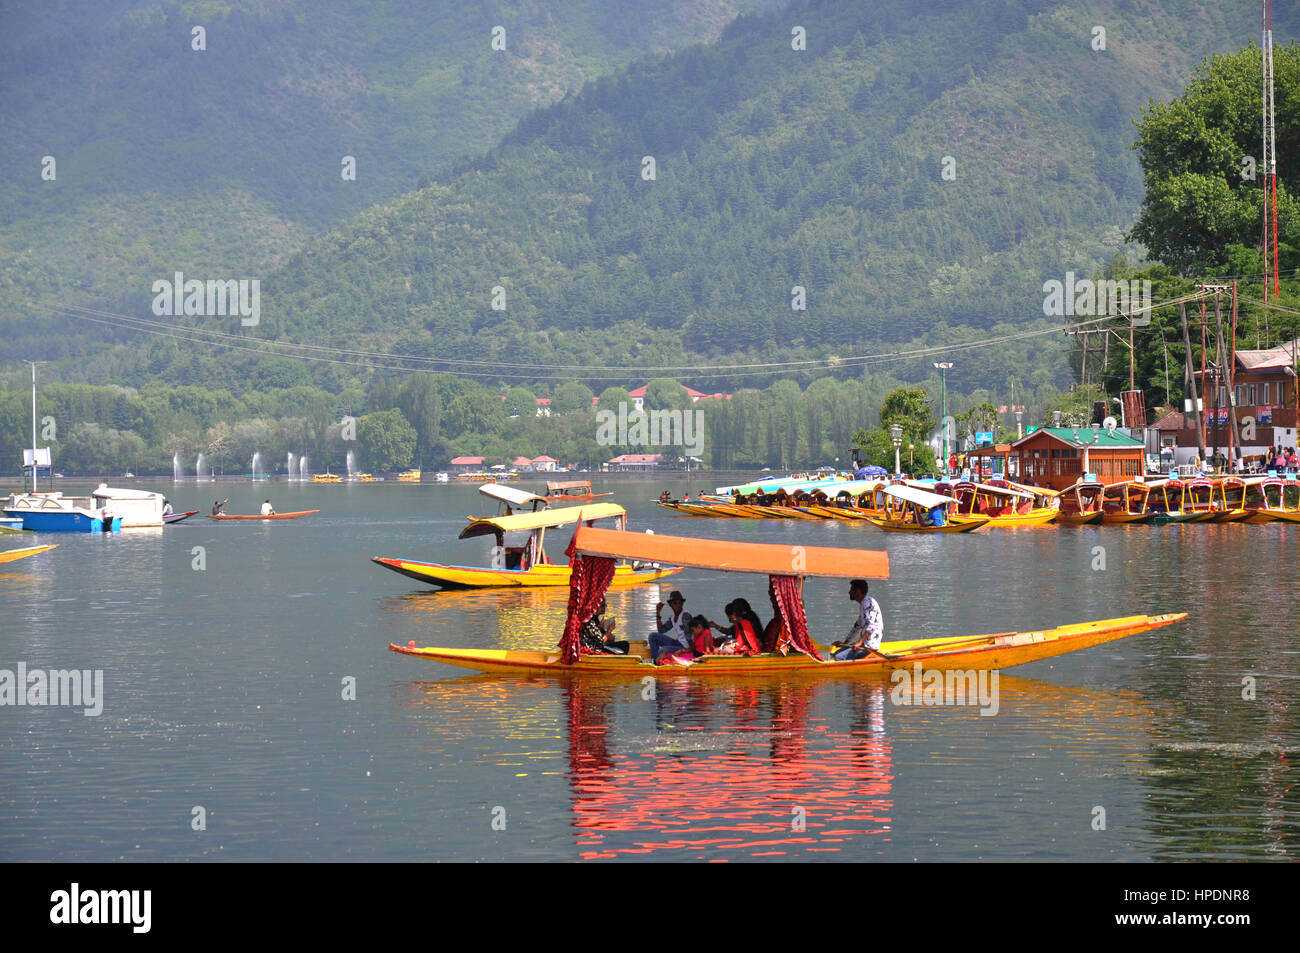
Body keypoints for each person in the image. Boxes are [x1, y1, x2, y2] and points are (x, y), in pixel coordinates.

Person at [832, 579, 883, 661]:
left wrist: (859, 642)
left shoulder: (868, 603)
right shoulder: (863, 604)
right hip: (863, 644)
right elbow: (857, 627)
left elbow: (871, 625)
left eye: (851, 589)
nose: (849, 592)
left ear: (858, 591)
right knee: (836, 653)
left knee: (839, 657)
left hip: (869, 646)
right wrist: (844, 643)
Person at [648, 591, 691, 661]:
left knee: (662, 650)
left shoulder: (685, 615)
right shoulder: (673, 617)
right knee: (652, 636)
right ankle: (654, 660)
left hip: (684, 646)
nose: (678, 605)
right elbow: (661, 630)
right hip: (677, 642)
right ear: (670, 605)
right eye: (675, 603)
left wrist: (688, 650)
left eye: (680, 603)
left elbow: (689, 636)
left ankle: (656, 662)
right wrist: (658, 612)